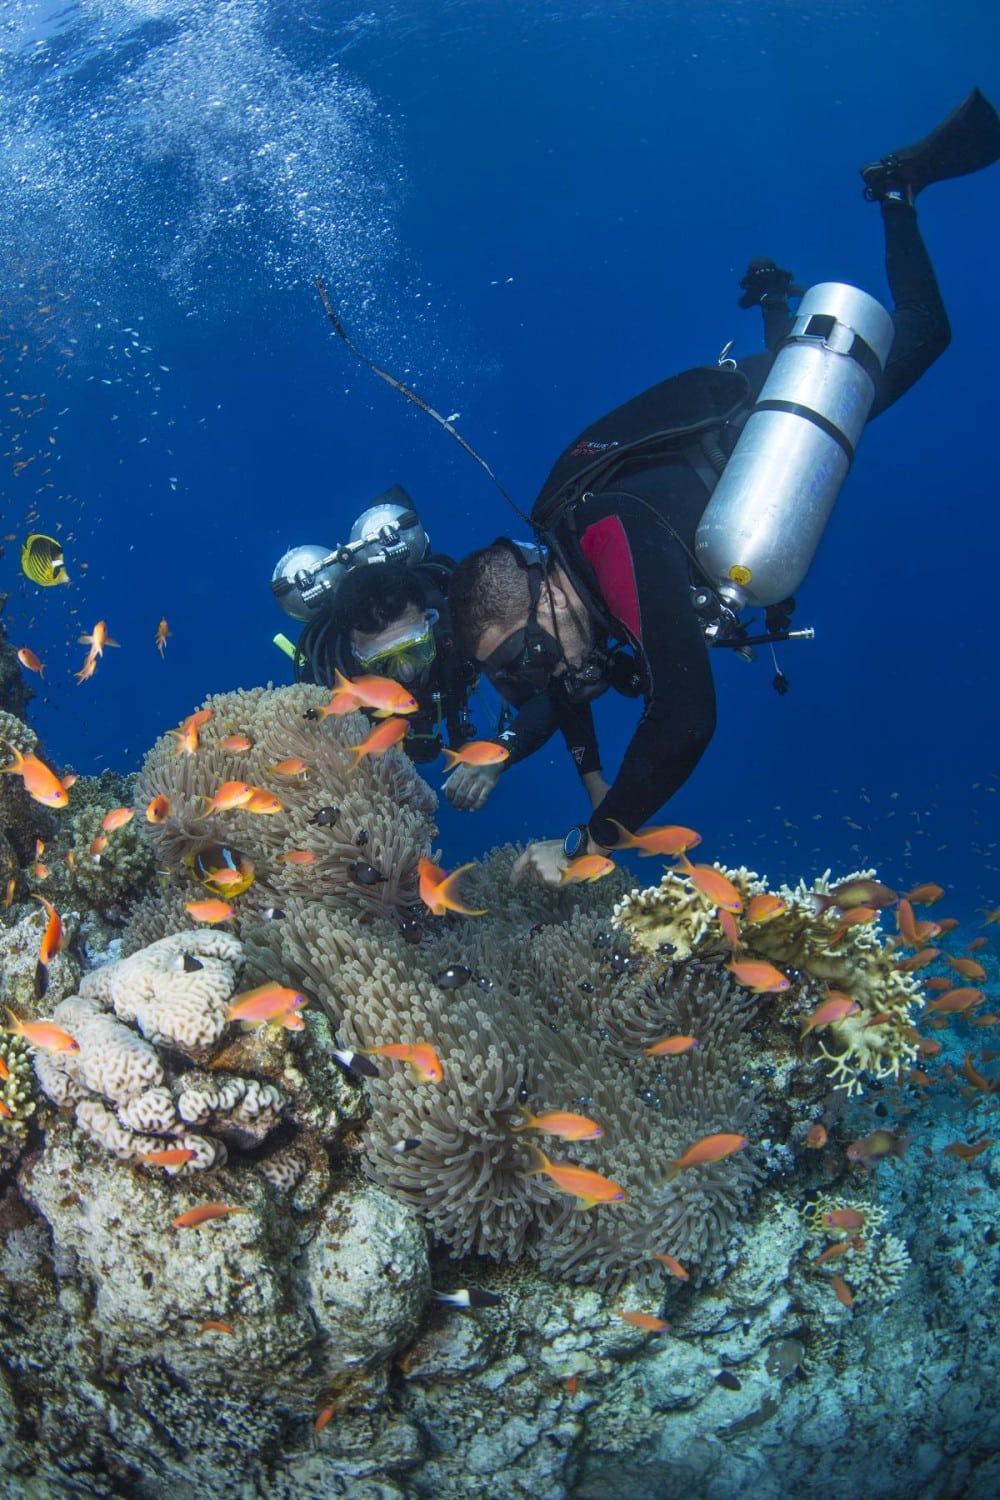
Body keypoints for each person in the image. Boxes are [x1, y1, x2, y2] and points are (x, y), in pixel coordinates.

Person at [448, 88, 1000, 884]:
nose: (544, 674)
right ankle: (780, 300)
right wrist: (506, 751)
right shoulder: (578, 571)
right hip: (739, 440)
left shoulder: (608, 538)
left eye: (530, 654)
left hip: (764, 412)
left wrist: (586, 844)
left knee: (925, 334)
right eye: (519, 673)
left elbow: (685, 721)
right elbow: (571, 685)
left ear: (542, 590)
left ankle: (895, 188)